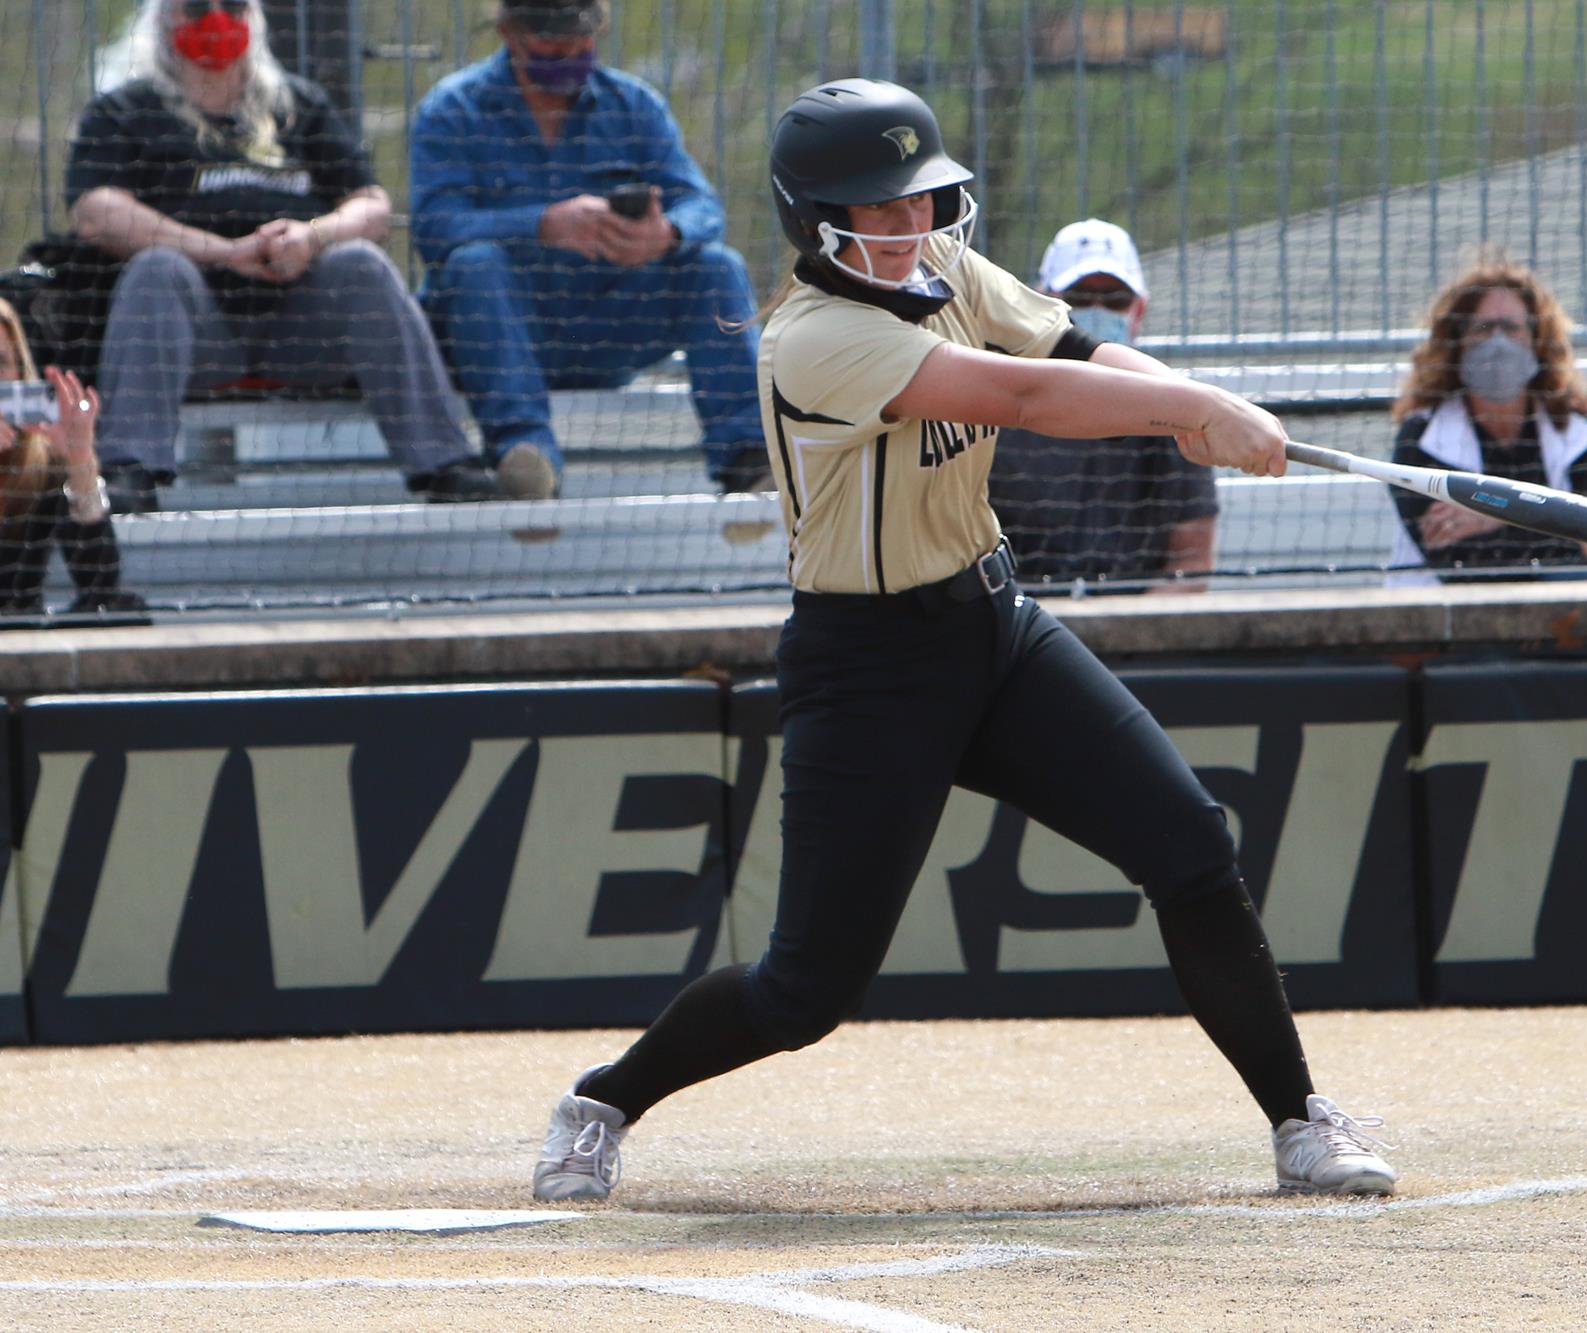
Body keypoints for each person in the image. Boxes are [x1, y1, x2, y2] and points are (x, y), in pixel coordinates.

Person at [529, 79, 1396, 1204]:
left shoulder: (945, 270)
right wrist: (1200, 417)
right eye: (880, 210)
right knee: (805, 991)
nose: (908, 227)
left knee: (1189, 845)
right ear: (814, 217)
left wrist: (1198, 398)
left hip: (993, 625)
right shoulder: (814, 338)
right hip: (867, 665)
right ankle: (604, 1099)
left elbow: (1078, 349)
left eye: (922, 202)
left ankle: (1297, 1119)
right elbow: (1028, 396)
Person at [66, 0, 523, 516]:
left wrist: (313, 236)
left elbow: (372, 207)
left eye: (232, 4)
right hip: (192, 334)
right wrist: (221, 251)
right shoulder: (124, 112)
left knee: (361, 265)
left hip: (301, 328)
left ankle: (446, 464)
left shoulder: (298, 106)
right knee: (156, 268)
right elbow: (95, 211)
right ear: (163, 19)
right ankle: (129, 471)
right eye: (196, 6)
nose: (216, 18)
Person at [410, 0, 765, 496]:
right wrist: (542, 224)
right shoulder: (452, 109)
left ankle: (751, 458)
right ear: (509, 33)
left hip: (607, 325)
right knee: (474, 263)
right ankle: (524, 457)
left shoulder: (634, 105)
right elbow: (433, 227)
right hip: (496, 337)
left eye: (582, 43)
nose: (571, 55)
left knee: (716, 265)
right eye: (553, 44)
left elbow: (702, 206)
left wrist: (666, 234)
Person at [987, 219, 1219, 593]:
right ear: (1040, 301)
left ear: (1138, 310)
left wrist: (1128, 629)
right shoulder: (995, 403)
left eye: (1115, 299)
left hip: (1137, 626)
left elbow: (1192, 562)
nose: (1096, 310)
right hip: (1015, 620)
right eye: (1077, 298)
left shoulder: (1173, 408)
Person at [1386, 253, 1587, 583]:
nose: (1498, 343)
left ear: (1537, 340)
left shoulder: (1580, 435)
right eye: (1483, 328)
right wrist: (1569, 532)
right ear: (1458, 341)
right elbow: (1458, 563)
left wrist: (1492, 517)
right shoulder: (1422, 437)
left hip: (1569, 620)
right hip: (1446, 621)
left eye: (1511, 328)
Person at [0, 300, 147, 622]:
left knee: (128, 611)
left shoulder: (39, 461)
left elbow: (100, 585)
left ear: (19, 372)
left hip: (21, 642)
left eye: (0, 362)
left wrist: (80, 460)